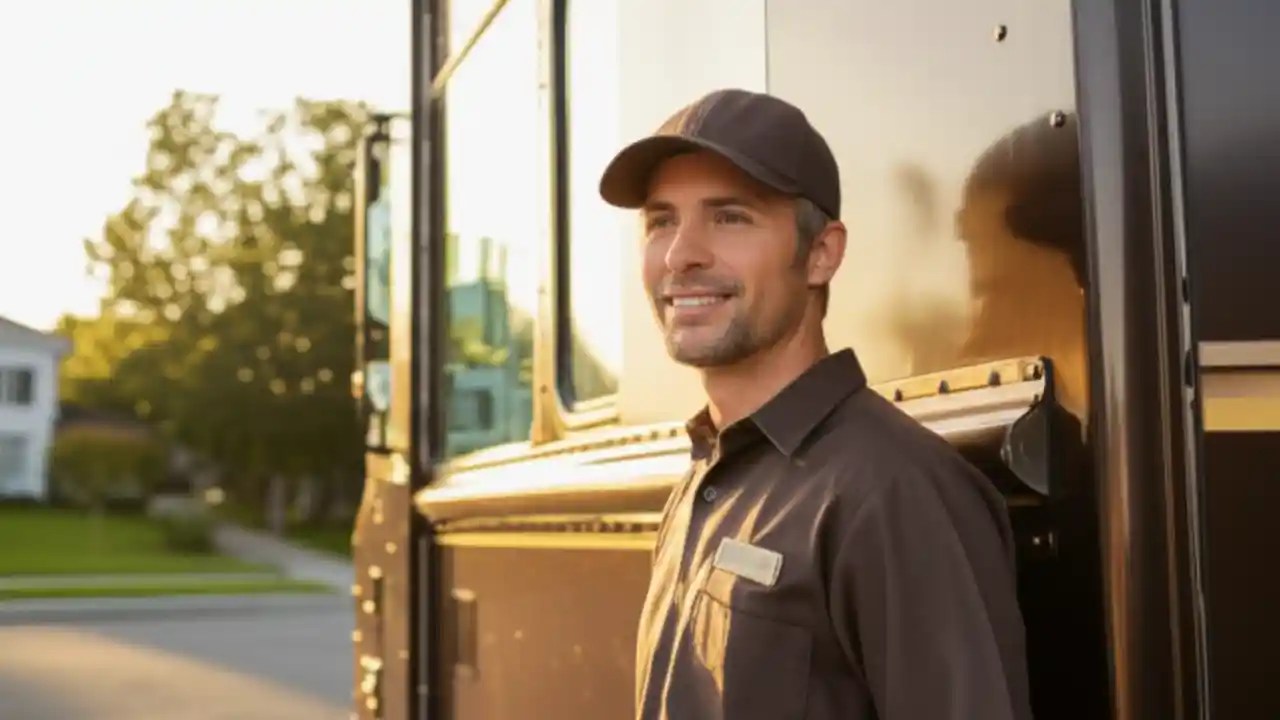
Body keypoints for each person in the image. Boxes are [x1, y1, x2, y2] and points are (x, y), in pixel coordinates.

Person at [598, 88, 1033, 720]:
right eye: (661, 220)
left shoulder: (895, 493)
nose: (680, 254)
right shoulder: (707, 478)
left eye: (730, 217)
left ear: (821, 254)